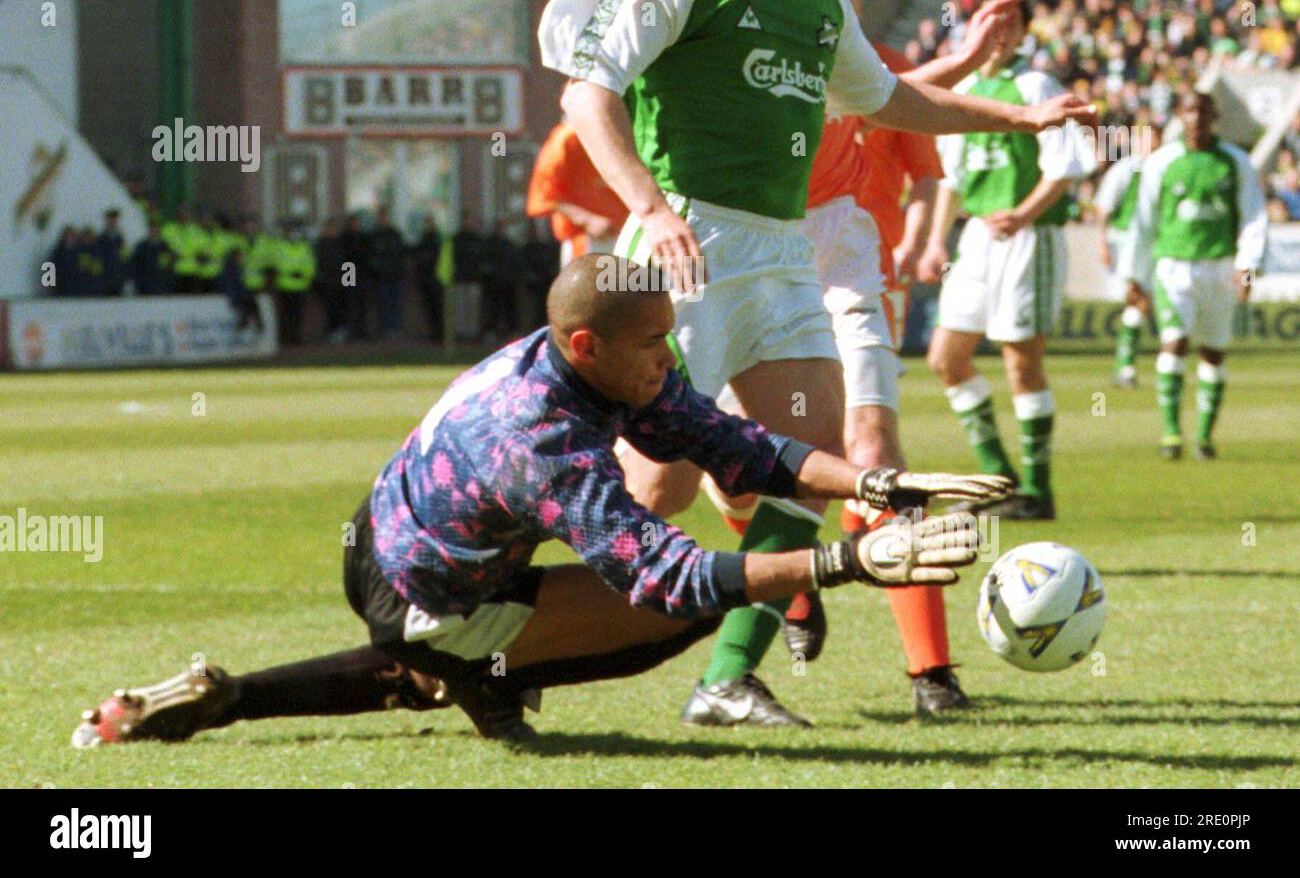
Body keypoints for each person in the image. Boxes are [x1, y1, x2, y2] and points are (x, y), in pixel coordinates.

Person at [539, 0, 1094, 725]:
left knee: (818, 459)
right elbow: (584, 96)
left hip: (781, 253)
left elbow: (889, 103)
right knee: (653, 490)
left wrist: (1019, 115)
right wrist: (649, 210)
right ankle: (497, 611)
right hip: (688, 248)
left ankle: (725, 678)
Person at [71, 255, 1005, 749]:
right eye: (653, 345)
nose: (668, 361)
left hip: (399, 541)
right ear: (590, 344)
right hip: (419, 588)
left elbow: (731, 442)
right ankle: (478, 675)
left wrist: (879, 484)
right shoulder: (539, 438)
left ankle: (229, 699)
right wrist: (849, 559)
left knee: (429, 662)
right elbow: (669, 575)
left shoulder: (593, 354)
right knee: (676, 609)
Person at [702, 0, 1021, 716]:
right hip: (746, 260)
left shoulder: (882, 71)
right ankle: (791, 590)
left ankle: (932, 676)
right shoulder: (741, 60)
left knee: (873, 451)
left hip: (847, 257)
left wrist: (971, 69)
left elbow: (897, 115)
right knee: (734, 476)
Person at [917, 0, 1092, 523]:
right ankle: (1000, 478)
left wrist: (1024, 213)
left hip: (1027, 238)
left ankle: (1037, 491)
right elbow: (950, 177)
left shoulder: (1035, 84)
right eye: (992, 19)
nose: (1002, 29)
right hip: (977, 242)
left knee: (1021, 362)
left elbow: (1064, 167)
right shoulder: (966, 86)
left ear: (1023, 31)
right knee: (946, 358)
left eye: (1012, 21)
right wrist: (933, 241)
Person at [1117, 91, 1268, 460]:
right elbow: (1143, 222)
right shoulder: (1161, 162)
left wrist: (1247, 265)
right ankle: (1171, 433)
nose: (1196, 118)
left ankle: (1203, 436)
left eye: (1202, 111)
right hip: (1173, 267)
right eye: (1188, 111)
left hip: (1220, 266)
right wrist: (1134, 274)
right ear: (1179, 117)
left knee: (1214, 352)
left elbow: (1252, 214)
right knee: (1175, 341)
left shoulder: (1235, 162)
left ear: (1214, 116)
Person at [1094, 125, 1158, 386]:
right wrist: (1102, 243)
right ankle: (1125, 366)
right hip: (1129, 240)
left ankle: (1127, 365)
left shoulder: (1162, 166)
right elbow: (1104, 207)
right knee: (1137, 297)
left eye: (1156, 137)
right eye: (1149, 138)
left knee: (1145, 301)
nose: (1154, 142)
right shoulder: (1127, 168)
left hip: (1155, 242)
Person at [526, 120, 629, 262]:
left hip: (629, 234)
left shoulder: (623, 132)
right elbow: (543, 195)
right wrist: (587, 219)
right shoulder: (567, 137)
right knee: (587, 283)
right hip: (589, 241)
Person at [276, 224, 317, 346]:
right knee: (286, 314)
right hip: (285, 285)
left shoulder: (304, 247)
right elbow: (277, 264)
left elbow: (310, 264)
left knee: (298, 314)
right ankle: (286, 338)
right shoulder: (280, 247)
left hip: (301, 286)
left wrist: (303, 274)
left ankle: (295, 338)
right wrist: (290, 273)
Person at [371, 208, 408, 341]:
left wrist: (401, 269)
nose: (383, 220)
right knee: (384, 304)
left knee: (396, 303)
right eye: (381, 217)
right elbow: (370, 255)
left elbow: (403, 253)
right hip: (382, 276)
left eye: (384, 217)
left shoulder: (395, 235)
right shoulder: (374, 236)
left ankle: (396, 330)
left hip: (396, 275)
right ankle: (386, 330)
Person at [410, 215, 446, 345]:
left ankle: (441, 334)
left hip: (436, 278)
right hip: (425, 278)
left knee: (438, 307)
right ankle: (434, 333)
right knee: (429, 307)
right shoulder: (423, 239)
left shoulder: (438, 239)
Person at [313, 217, 347, 344]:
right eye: (329, 228)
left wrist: (349, 282)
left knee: (341, 308)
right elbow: (316, 264)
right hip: (326, 283)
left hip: (340, 282)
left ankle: (339, 331)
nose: (331, 231)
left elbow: (348, 263)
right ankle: (331, 332)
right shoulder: (320, 244)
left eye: (333, 228)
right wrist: (318, 281)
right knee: (330, 308)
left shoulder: (340, 244)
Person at [339, 215, 373, 341]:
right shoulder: (345, 238)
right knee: (350, 302)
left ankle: (362, 330)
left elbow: (368, 254)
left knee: (362, 303)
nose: (355, 225)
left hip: (362, 273)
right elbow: (343, 256)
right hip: (349, 271)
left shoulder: (364, 238)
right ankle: (351, 330)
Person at [129, 221, 174, 295]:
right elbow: (134, 265)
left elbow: (169, 267)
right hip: (144, 286)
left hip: (162, 286)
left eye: (156, 229)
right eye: (152, 229)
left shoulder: (165, 247)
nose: (154, 231)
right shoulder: (141, 246)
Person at [96, 210, 128, 297]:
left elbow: (123, 258)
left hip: (118, 278)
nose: (113, 222)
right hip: (105, 278)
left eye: (114, 220)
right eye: (111, 219)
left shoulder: (120, 238)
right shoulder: (101, 238)